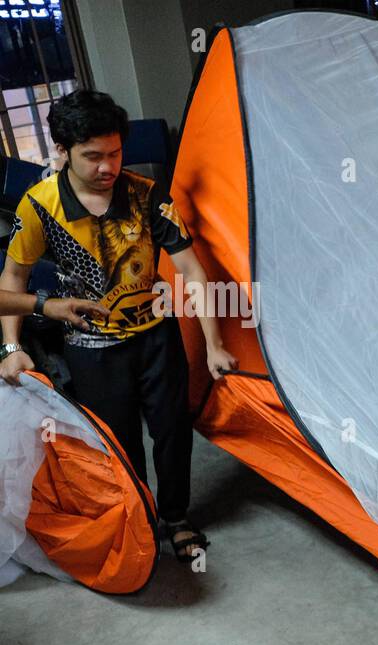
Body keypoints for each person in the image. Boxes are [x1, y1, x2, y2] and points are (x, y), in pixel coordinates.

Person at [0, 89, 238, 561]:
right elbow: (13, 278)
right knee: (118, 441)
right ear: (63, 151)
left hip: (156, 338)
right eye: (93, 157)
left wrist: (213, 343)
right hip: (91, 349)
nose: (107, 166)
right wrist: (12, 346)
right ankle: (139, 518)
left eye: (114, 153)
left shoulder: (147, 194)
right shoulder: (39, 204)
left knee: (173, 431)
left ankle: (176, 517)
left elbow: (192, 270)